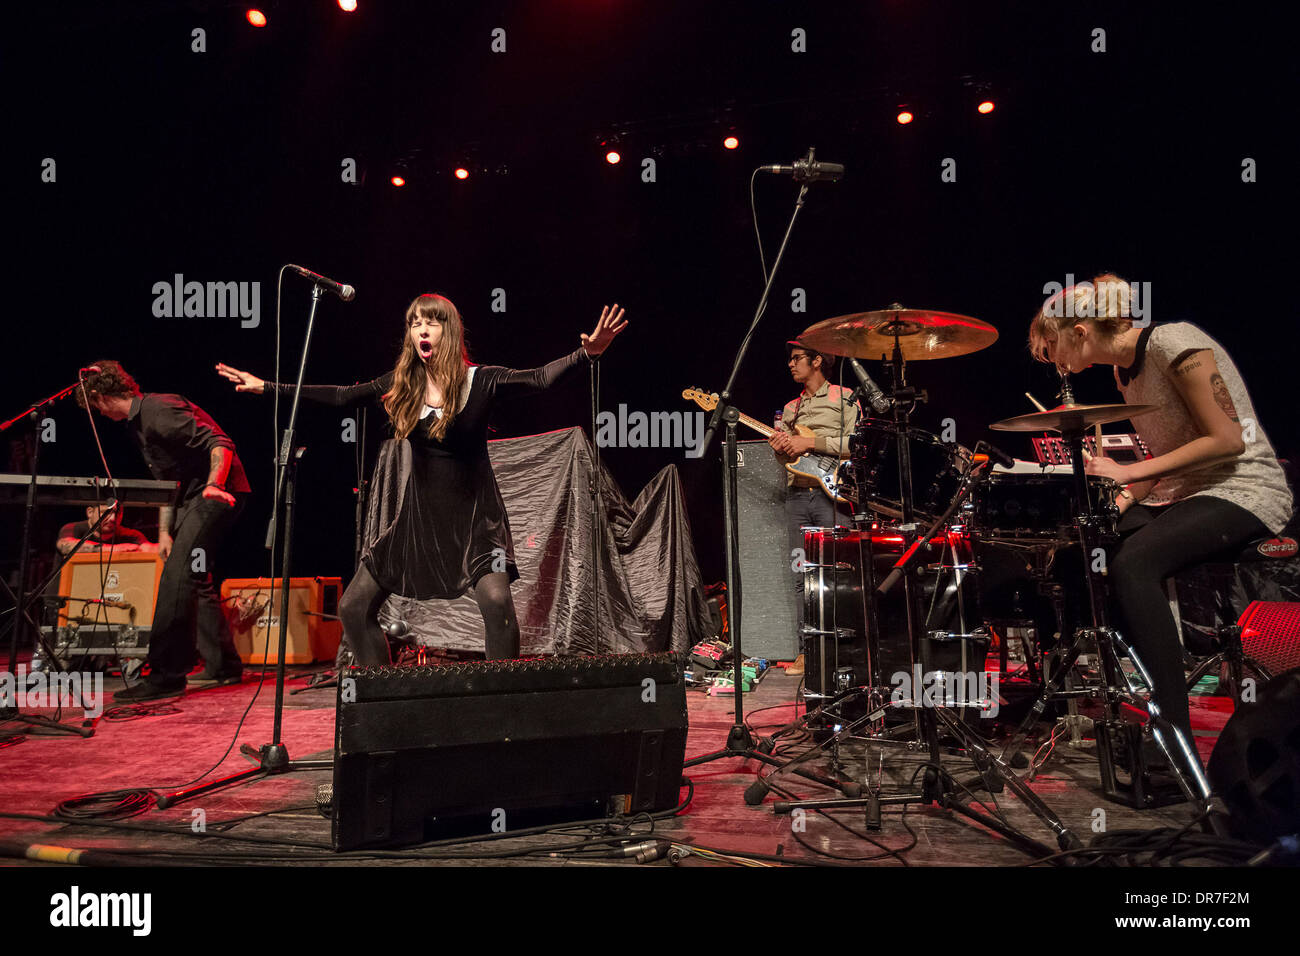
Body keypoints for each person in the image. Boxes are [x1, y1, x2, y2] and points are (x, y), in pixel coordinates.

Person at [216, 293, 627, 664]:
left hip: (475, 523)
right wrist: (267, 386)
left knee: (498, 603)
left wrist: (586, 354)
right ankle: (381, 697)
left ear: (448, 331)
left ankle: (501, 708)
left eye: (430, 322)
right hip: (418, 523)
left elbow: (538, 378)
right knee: (353, 608)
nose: (420, 330)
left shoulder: (480, 381)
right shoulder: (403, 385)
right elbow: (342, 395)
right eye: (414, 323)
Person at [1028, 273, 1294, 744]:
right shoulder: (1121, 371)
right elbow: (1168, 449)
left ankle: (1172, 732)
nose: (1055, 362)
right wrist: (1129, 492)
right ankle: (1116, 695)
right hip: (1183, 492)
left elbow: (1228, 440)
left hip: (1243, 487)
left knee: (1134, 564)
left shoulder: (1174, 341)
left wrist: (1127, 474)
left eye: (1051, 346)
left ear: (1080, 332)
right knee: (1084, 549)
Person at [77, 361, 251, 699]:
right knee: (196, 579)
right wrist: (164, 532)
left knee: (178, 576)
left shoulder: (158, 409)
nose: (98, 415)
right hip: (193, 498)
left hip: (215, 493)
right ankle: (224, 666)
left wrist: (215, 484)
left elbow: (220, 442)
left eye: (94, 407)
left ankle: (166, 676)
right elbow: (168, 484)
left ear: (99, 397)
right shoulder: (139, 424)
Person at [769, 339, 861, 664]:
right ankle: (805, 652)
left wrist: (809, 440)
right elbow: (787, 461)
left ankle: (844, 651)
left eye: (797, 359)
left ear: (817, 361)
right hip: (797, 497)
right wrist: (781, 449)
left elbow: (855, 444)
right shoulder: (791, 408)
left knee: (839, 574)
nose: (790, 364)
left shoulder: (844, 396)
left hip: (832, 495)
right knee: (801, 576)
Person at [56, 502, 151, 555]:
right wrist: (115, 549)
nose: (113, 518)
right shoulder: (73, 528)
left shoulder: (132, 535)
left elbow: (149, 550)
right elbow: (65, 547)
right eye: (105, 513)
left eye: (117, 513)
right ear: (90, 512)